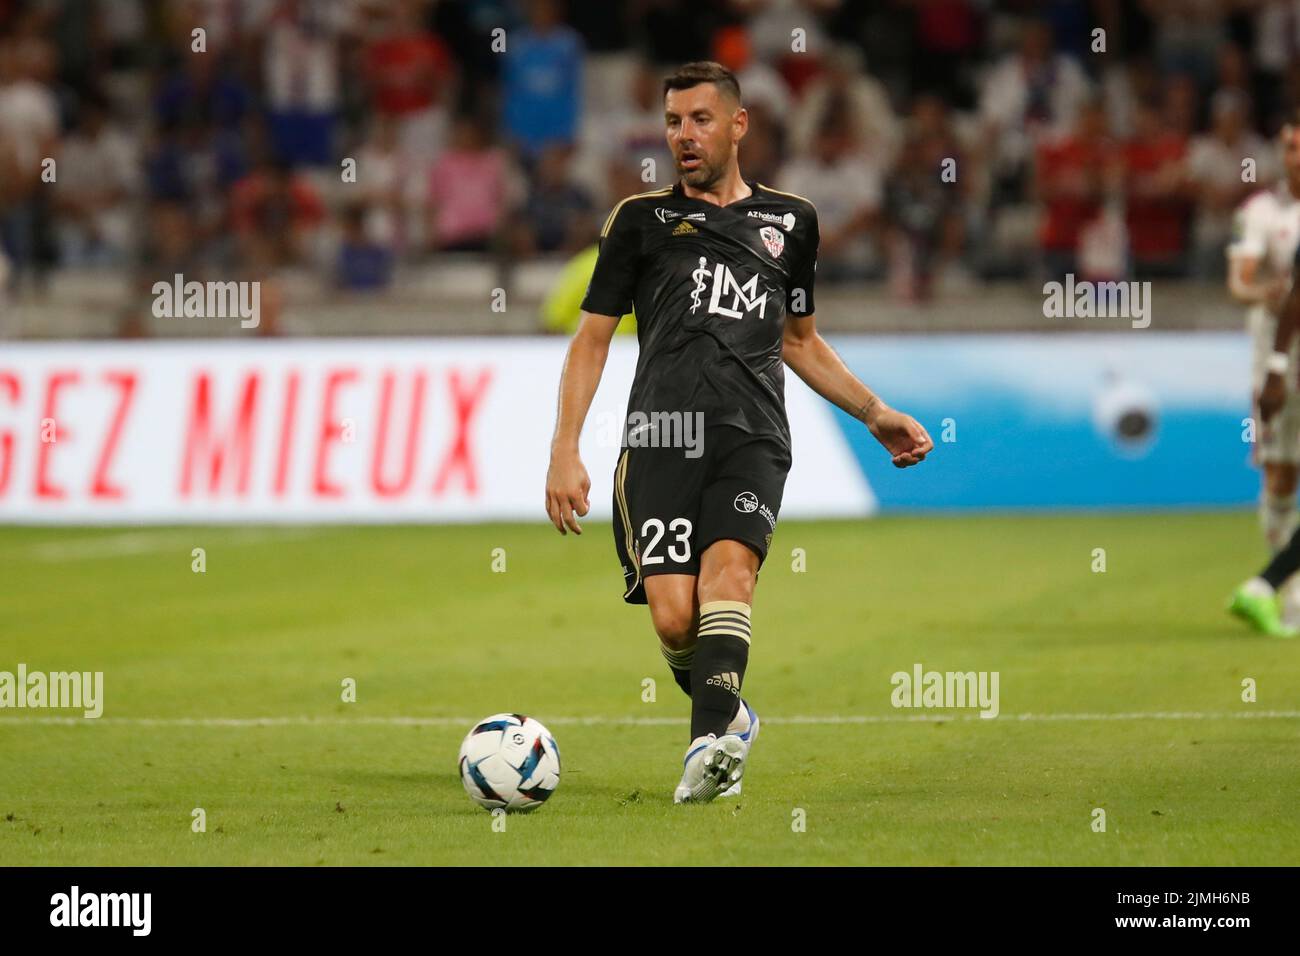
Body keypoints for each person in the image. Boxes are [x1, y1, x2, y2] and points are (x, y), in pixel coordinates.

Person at [544, 62, 932, 803]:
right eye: (672, 123)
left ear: (737, 125)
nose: (683, 137)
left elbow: (800, 340)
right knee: (673, 616)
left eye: (698, 120)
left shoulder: (793, 222)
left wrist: (874, 412)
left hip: (752, 433)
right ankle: (732, 716)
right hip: (661, 434)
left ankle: (707, 749)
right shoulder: (638, 222)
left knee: (733, 577)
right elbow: (591, 340)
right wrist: (566, 449)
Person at [1227, 116, 1300, 637]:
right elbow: (1241, 282)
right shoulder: (1262, 212)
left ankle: (1270, 587)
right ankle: (1282, 591)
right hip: (1275, 357)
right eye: (1289, 146)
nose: (1294, 156)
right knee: (1281, 473)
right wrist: (1265, 294)